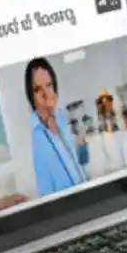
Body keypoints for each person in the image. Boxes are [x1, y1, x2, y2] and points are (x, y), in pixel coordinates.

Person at [25, 57, 86, 196]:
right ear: (31, 96)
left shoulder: (62, 118)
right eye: (37, 89)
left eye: (49, 85)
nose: (46, 94)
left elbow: (79, 162)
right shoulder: (35, 138)